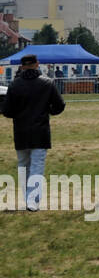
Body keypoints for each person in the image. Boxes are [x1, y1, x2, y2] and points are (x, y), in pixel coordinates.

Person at [2, 54, 65, 210]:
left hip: (21, 131)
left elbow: (7, 111)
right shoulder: (47, 83)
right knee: (37, 165)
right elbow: (60, 105)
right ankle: (33, 201)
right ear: (37, 64)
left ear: (22, 67)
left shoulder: (14, 85)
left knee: (23, 165)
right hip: (40, 131)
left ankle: (27, 198)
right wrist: (47, 111)